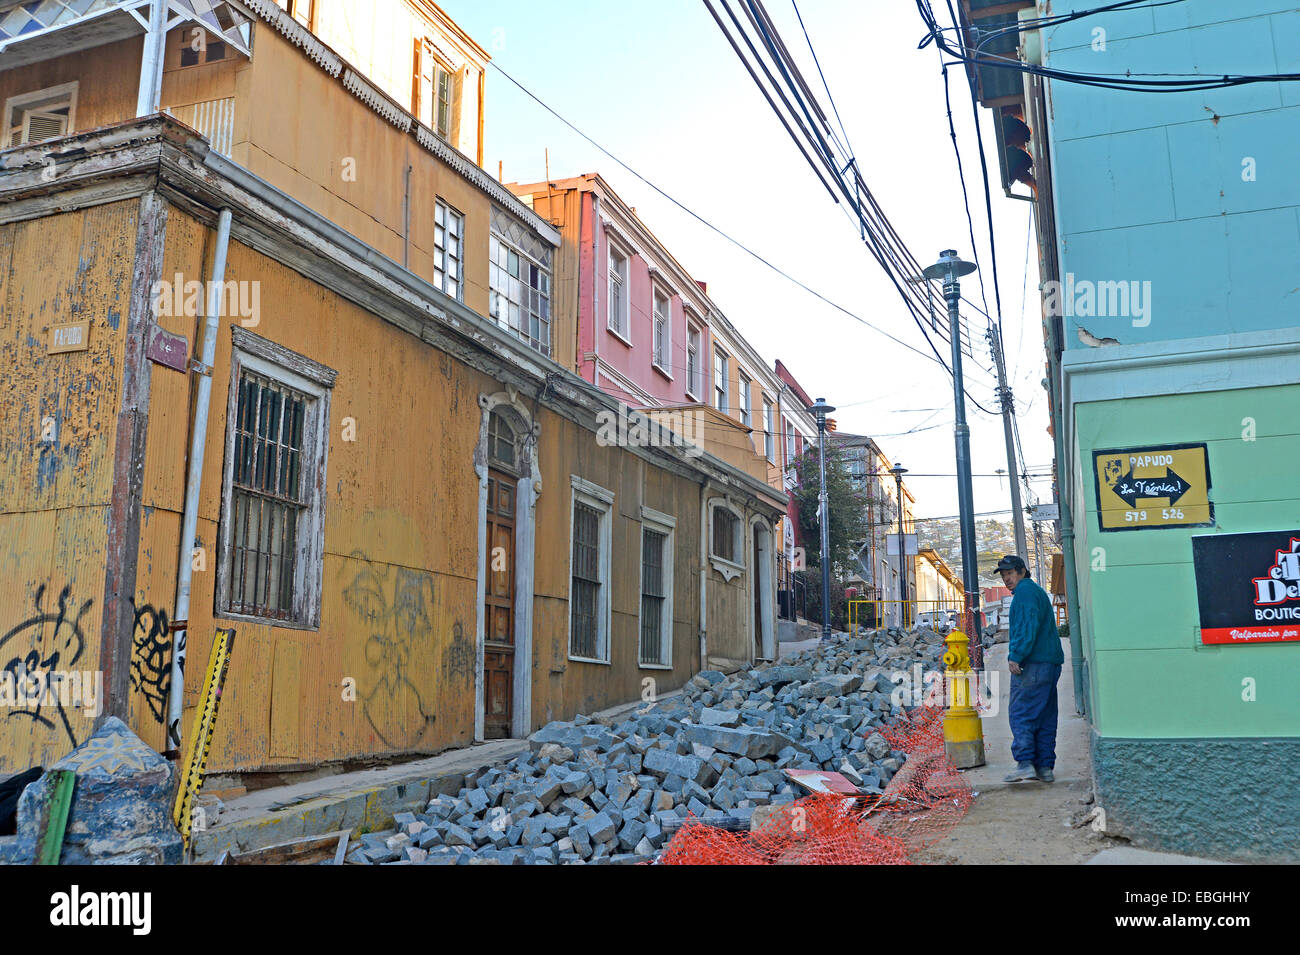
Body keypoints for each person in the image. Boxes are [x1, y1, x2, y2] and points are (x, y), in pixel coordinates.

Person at [996, 555, 1063, 783]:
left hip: (1033, 663)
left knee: (1021, 713)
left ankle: (1025, 763)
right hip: (1049, 663)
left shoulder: (1024, 593)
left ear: (1022, 571)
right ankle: (1044, 767)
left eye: (1010, 573)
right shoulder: (1035, 591)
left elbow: (1027, 626)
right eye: (1004, 575)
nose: (1007, 579)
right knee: (1044, 715)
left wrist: (1016, 656)